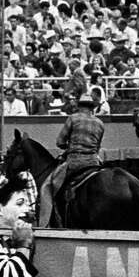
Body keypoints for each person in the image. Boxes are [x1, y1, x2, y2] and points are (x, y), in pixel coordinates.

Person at [38, 94, 104, 227]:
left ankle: (44, 225)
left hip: (75, 162)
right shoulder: (100, 123)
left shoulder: (73, 119)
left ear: (79, 106)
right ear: (92, 107)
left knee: (47, 186)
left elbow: (60, 142)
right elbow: (97, 147)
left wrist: (69, 146)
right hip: (93, 162)